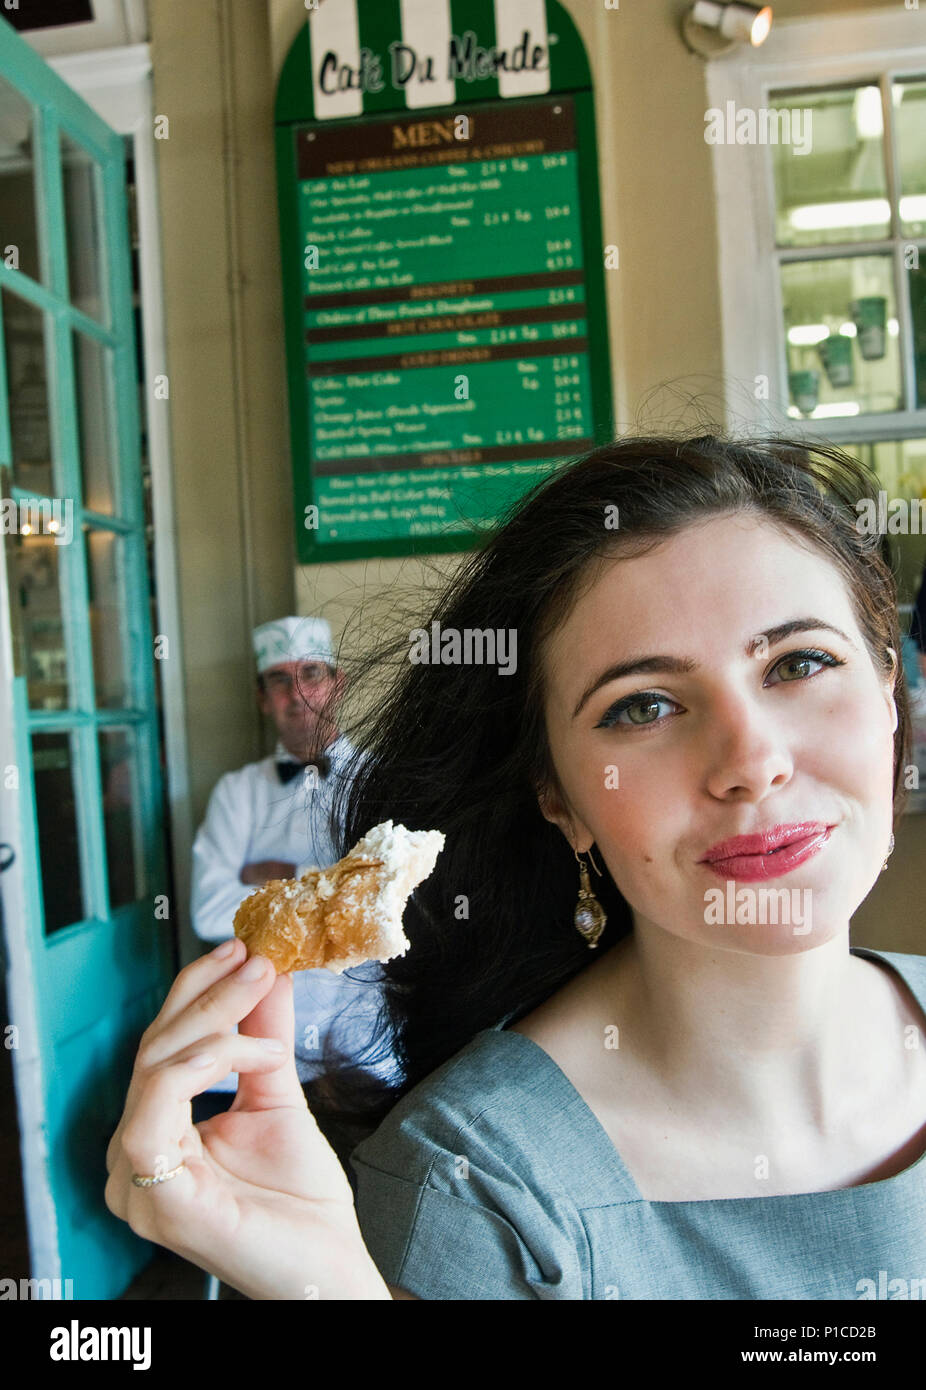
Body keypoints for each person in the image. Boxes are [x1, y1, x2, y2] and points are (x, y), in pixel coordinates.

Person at [106, 433, 926, 1300]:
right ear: (559, 798)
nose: (750, 762)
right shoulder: (469, 1191)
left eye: (800, 662)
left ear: (887, 694)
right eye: (642, 705)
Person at [189, 615, 393, 1119]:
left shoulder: (384, 781)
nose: (296, 692)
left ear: (337, 685)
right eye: (279, 680)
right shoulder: (236, 792)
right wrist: (333, 885)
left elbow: (384, 902)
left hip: (362, 1039)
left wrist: (280, 877)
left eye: (311, 674)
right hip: (253, 1047)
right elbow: (208, 912)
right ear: (262, 698)